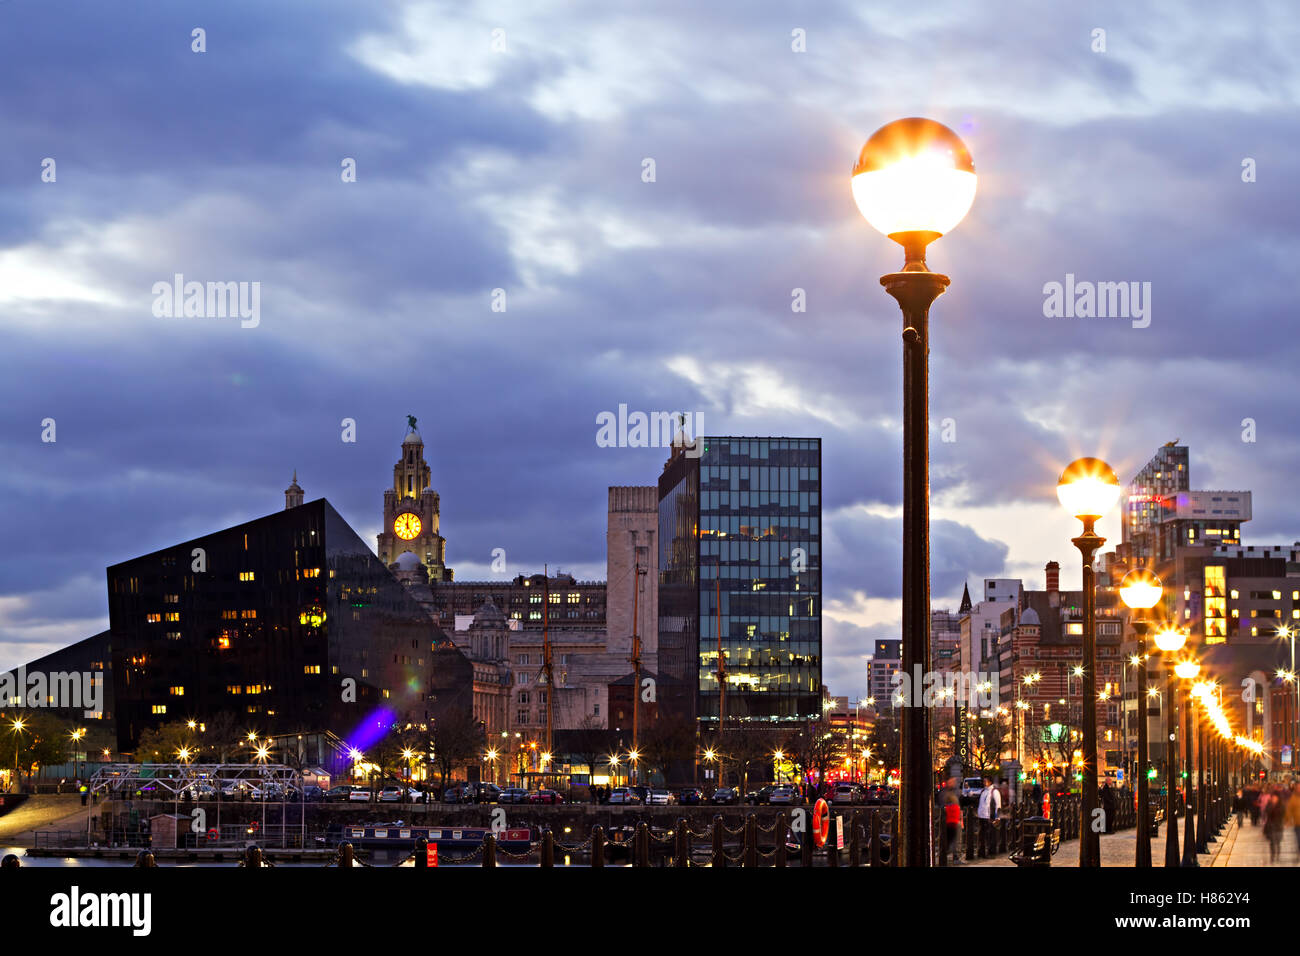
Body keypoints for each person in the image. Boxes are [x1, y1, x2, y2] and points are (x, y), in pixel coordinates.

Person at [976, 775, 1001, 856]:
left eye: (985, 781)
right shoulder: (983, 791)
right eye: (983, 781)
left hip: (989, 816)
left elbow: (998, 805)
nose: (984, 782)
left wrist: (998, 817)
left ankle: (991, 852)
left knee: (991, 835)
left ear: (990, 782)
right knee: (982, 835)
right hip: (982, 816)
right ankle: (982, 851)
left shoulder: (994, 791)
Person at [941, 779, 963, 865]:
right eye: (951, 782)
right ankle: (953, 856)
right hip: (951, 820)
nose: (953, 783)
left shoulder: (954, 792)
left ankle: (953, 856)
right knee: (953, 840)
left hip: (954, 819)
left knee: (954, 840)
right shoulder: (946, 793)